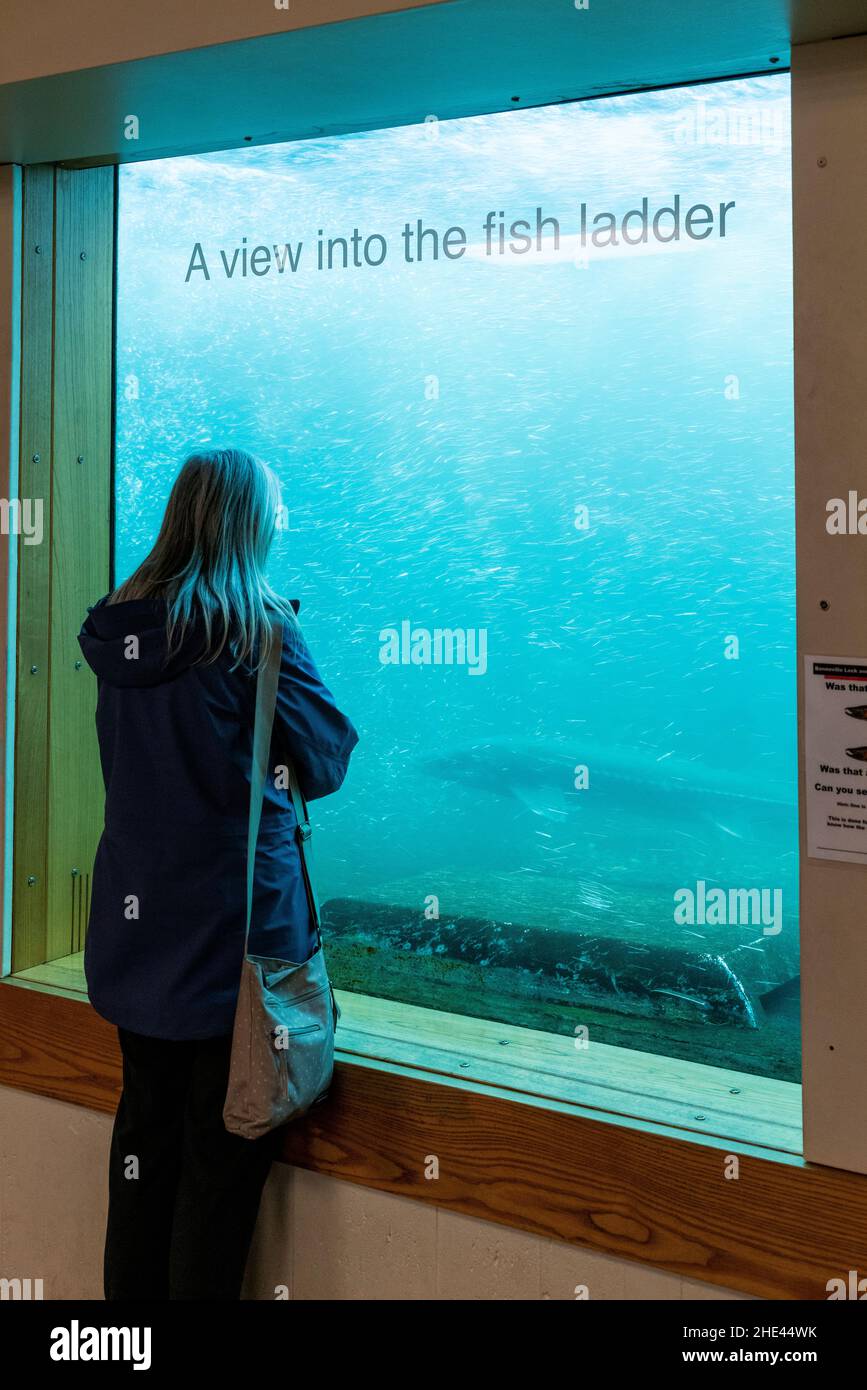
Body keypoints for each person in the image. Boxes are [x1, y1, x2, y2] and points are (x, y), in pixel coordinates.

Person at [77, 447, 359, 1301]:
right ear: (247, 524)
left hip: (137, 935)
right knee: (223, 1165)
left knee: (141, 1151)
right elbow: (328, 757)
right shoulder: (257, 631)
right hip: (241, 947)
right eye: (272, 513)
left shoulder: (115, 632)